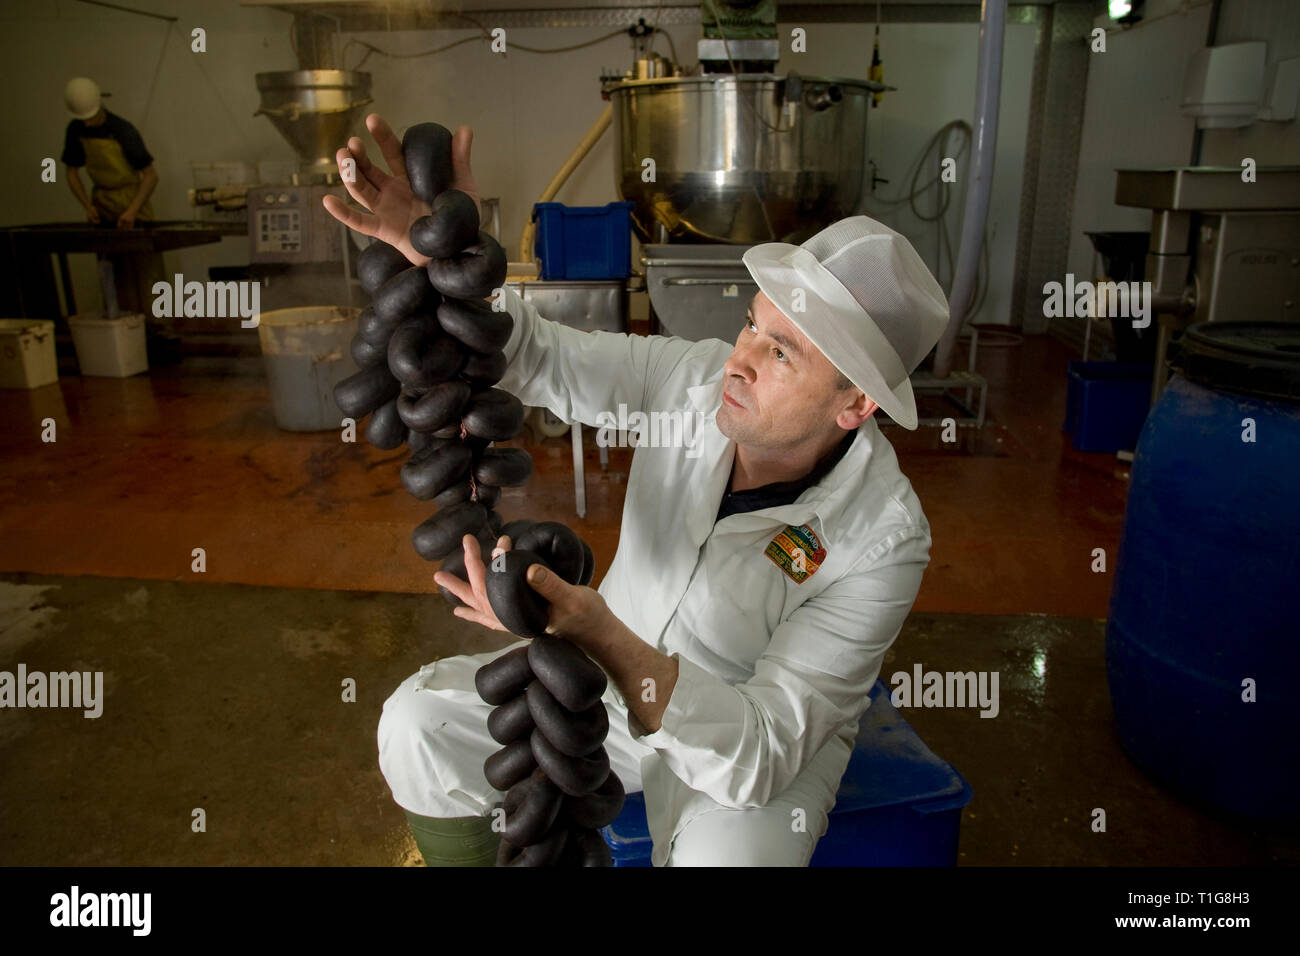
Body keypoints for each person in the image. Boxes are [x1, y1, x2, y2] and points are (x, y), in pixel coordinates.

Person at [324, 115, 950, 866]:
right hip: (604, 690)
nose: (739, 362)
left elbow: (763, 752)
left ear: (856, 406)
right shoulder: (691, 380)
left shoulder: (883, 539)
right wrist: (444, 260)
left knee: (737, 859)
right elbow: (544, 359)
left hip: (737, 744)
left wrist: (597, 633)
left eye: (780, 353)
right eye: (752, 326)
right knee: (415, 726)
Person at [61, 76, 176, 361]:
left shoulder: (122, 130)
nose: (87, 123)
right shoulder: (75, 129)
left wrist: (132, 210)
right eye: (82, 119)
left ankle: (157, 334)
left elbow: (150, 175)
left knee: (145, 273)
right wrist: (87, 204)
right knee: (113, 274)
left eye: (90, 117)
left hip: (132, 200)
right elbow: (71, 171)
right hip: (102, 203)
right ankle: (121, 336)